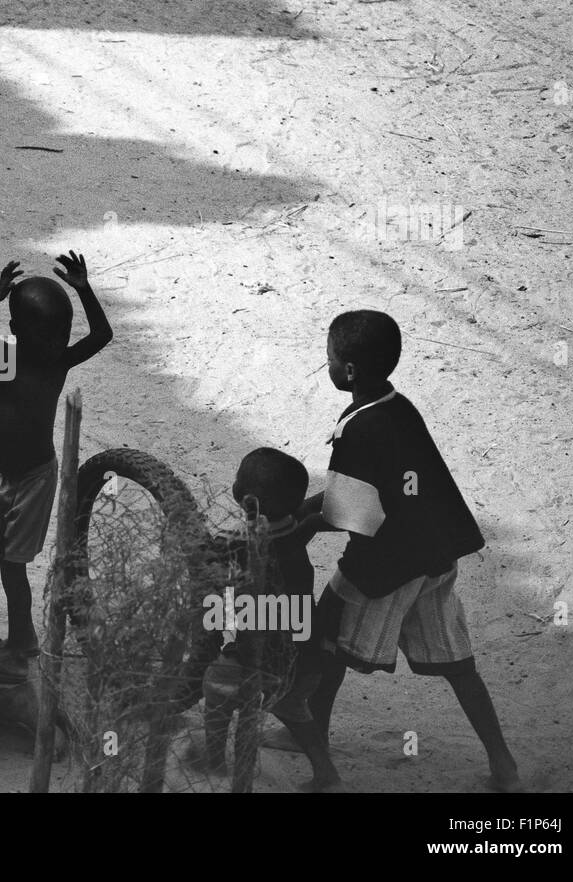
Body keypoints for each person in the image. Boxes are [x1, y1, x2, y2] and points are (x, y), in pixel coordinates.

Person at [299, 309, 521, 791]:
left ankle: (317, 757)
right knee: (459, 665)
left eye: (331, 359)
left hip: (387, 564)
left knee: (322, 638)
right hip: (435, 556)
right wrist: (303, 509)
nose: (329, 365)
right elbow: (360, 489)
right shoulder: (399, 407)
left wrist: (294, 526)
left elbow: (349, 510)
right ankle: (504, 765)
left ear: (350, 370)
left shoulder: (355, 428)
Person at [0, 251, 112, 680]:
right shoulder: (2, 357)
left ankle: (22, 642)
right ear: (15, 331)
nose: (57, 343)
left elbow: (101, 333)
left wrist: (84, 289)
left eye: (62, 334)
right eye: (46, 335)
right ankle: (4, 642)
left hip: (34, 479)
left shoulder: (58, 360)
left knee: (13, 566)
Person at [194, 448, 340, 791]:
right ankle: (326, 773)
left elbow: (205, 560)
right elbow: (311, 520)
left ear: (239, 497)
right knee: (291, 706)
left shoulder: (237, 542)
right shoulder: (292, 526)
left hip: (261, 650)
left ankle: (213, 759)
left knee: (217, 687)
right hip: (306, 646)